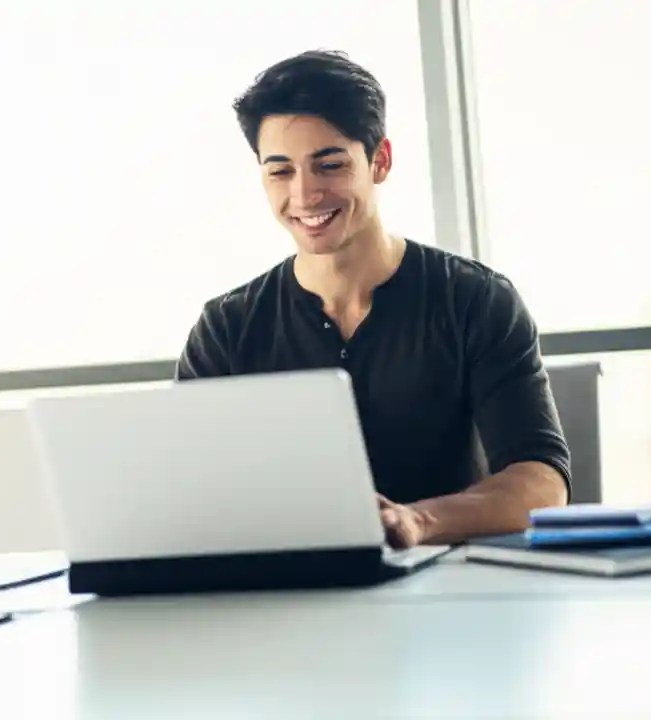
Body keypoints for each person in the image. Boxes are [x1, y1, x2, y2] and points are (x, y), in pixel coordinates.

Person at [176, 50, 570, 548]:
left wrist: (416, 521)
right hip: (284, 601)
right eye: (280, 172)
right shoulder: (226, 328)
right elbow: (186, 489)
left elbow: (541, 482)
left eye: (330, 164)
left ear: (379, 161)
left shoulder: (474, 300)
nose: (305, 194)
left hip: (448, 593)